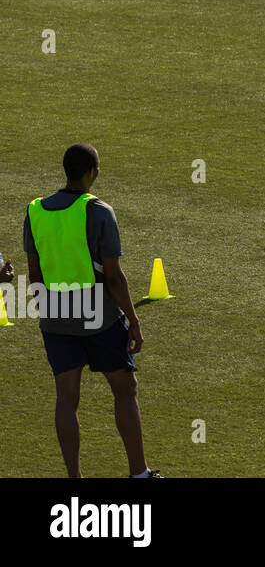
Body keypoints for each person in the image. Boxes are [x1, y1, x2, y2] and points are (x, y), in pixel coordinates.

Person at [24, 143, 159, 478]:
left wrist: (50, 312)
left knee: (66, 400)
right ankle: (139, 473)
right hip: (99, 319)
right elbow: (113, 276)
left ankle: (75, 478)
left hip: (55, 318)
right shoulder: (98, 211)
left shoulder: (35, 211)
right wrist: (135, 320)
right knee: (125, 390)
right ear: (91, 172)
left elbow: (36, 272)